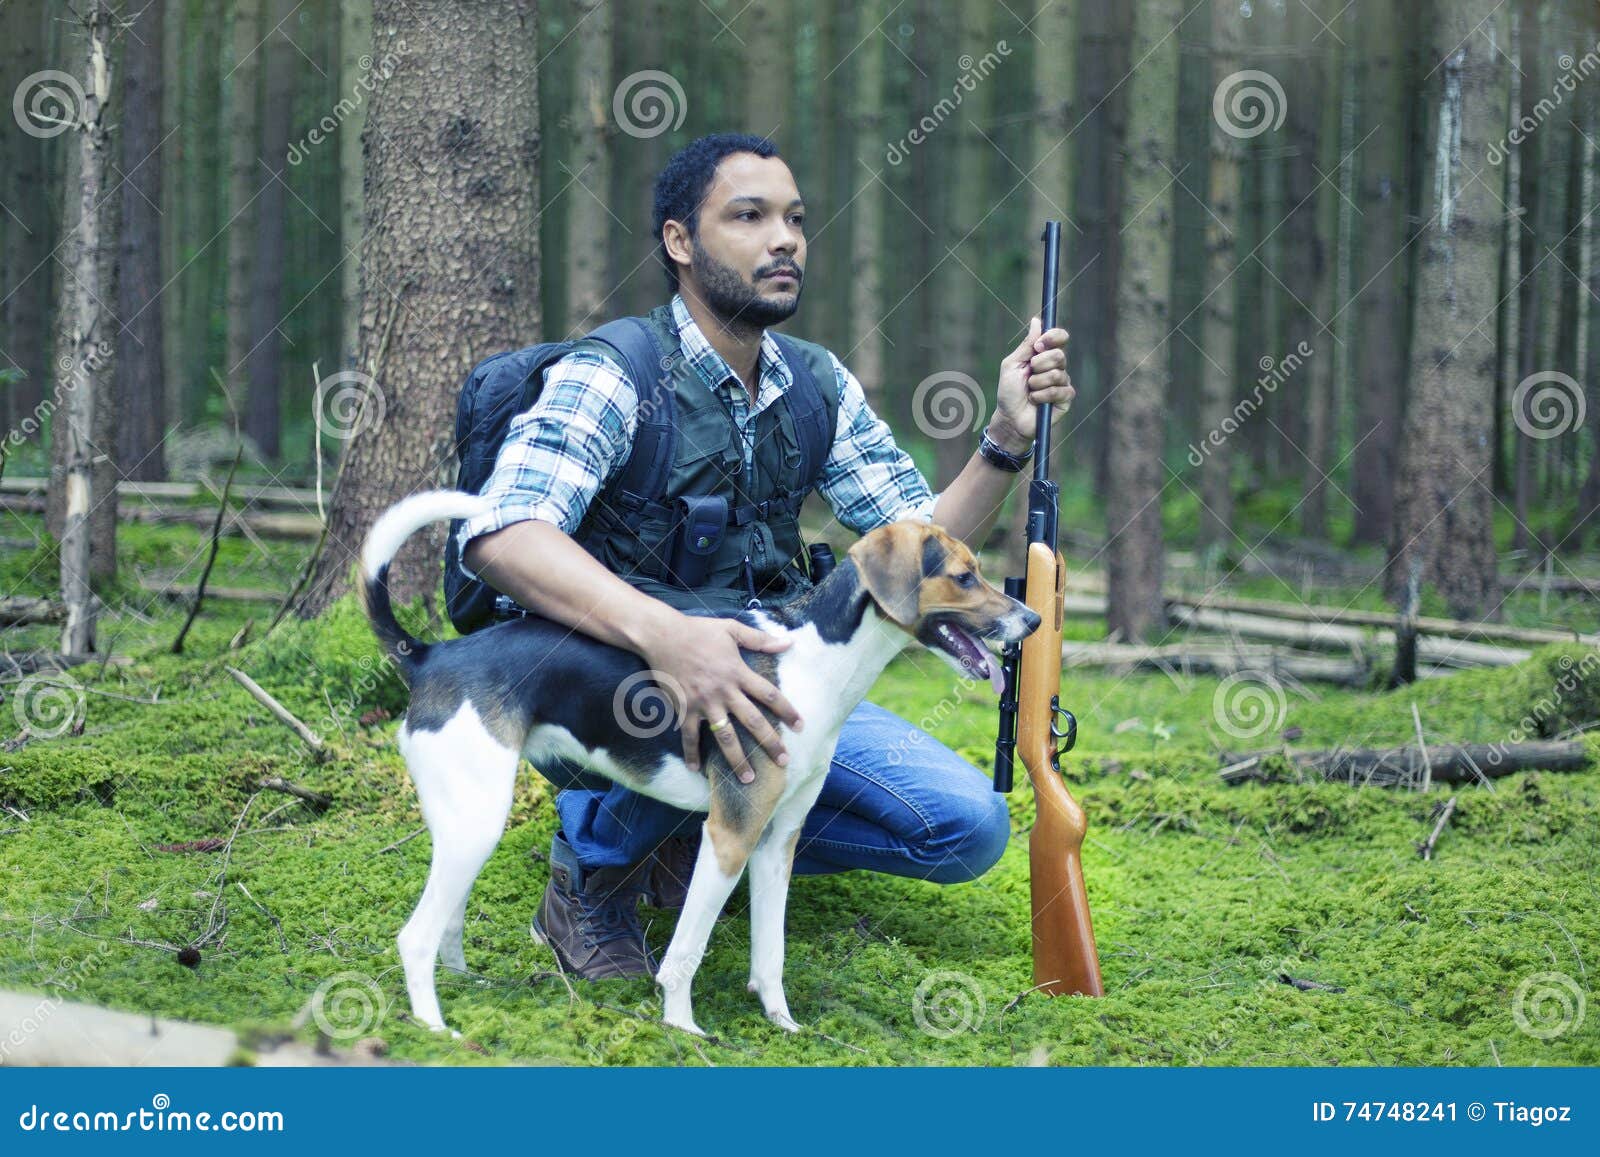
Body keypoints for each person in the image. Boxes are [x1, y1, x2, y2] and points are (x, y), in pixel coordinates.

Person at [457, 132, 1074, 979]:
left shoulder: (815, 383)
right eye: (748, 216)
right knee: (702, 677)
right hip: (614, 685)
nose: (783, 237)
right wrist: (667, 635)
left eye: (793, 218)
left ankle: (704, 847)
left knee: (963, 828)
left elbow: (915, 544)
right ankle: (593, 874)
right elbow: (500, 534)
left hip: (776, 684)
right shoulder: (616, 373)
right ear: (681, 241)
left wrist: (1005, 435)